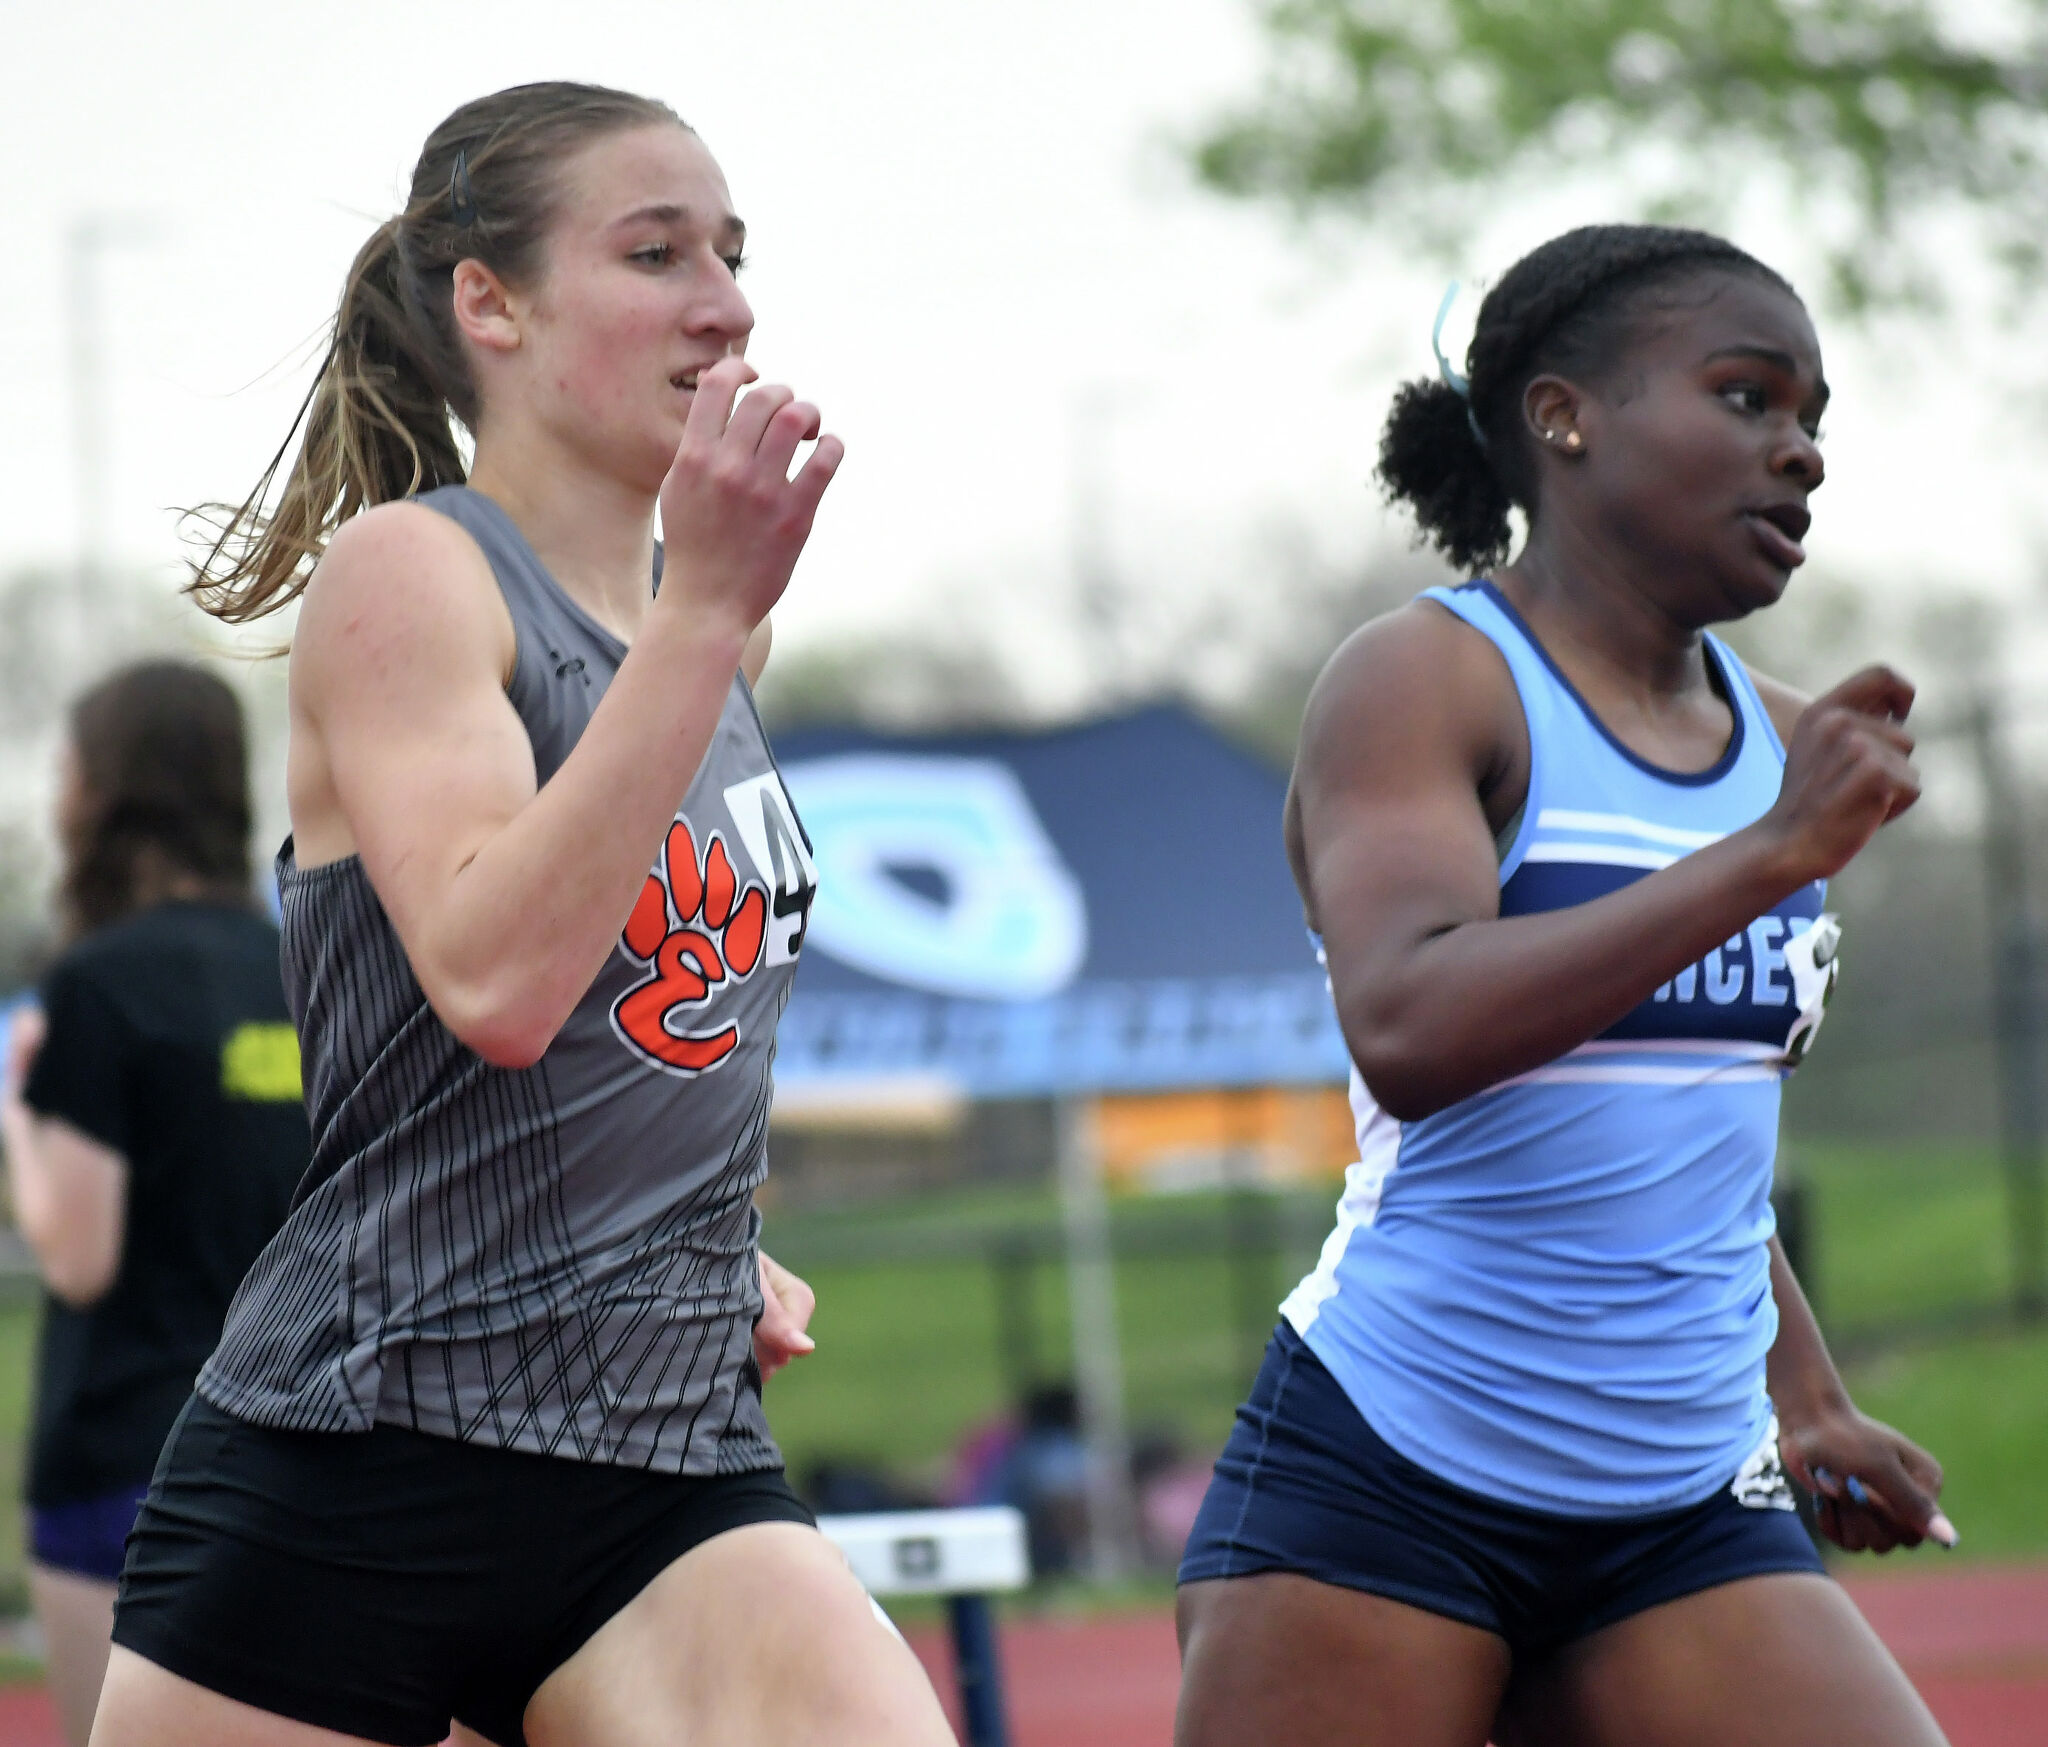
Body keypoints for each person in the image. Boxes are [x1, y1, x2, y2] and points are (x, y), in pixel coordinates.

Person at [88, 82, 952, 1747]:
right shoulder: (411, 577)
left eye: (731, 251)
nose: (726, 300)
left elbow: (660, 1025)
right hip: (368, 1463)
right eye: (653, 252)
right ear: (489, 304)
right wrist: (700, 610)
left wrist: (683, 1225)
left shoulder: (704, 639)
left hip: (662, 1456)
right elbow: (495, 978)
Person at [1175, 225, 1955, 1747]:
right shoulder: (1427, 679)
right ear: (1563, 414)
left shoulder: (1778, 741)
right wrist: (1773, 850)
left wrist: (1808, 1399)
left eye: (1813, 419)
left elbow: (1684, 1132)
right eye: (1747, 397)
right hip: (1394, 1470)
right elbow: (1412, 1024)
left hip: (1678, 1497)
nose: (1797, 453)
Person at [0, 661, 310, 1747]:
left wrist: (17, 1118)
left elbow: (77, 1254)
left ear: (106, 790)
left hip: (124, 1462)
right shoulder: (298, 966)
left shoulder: (94, 984)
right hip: (294, 1451)